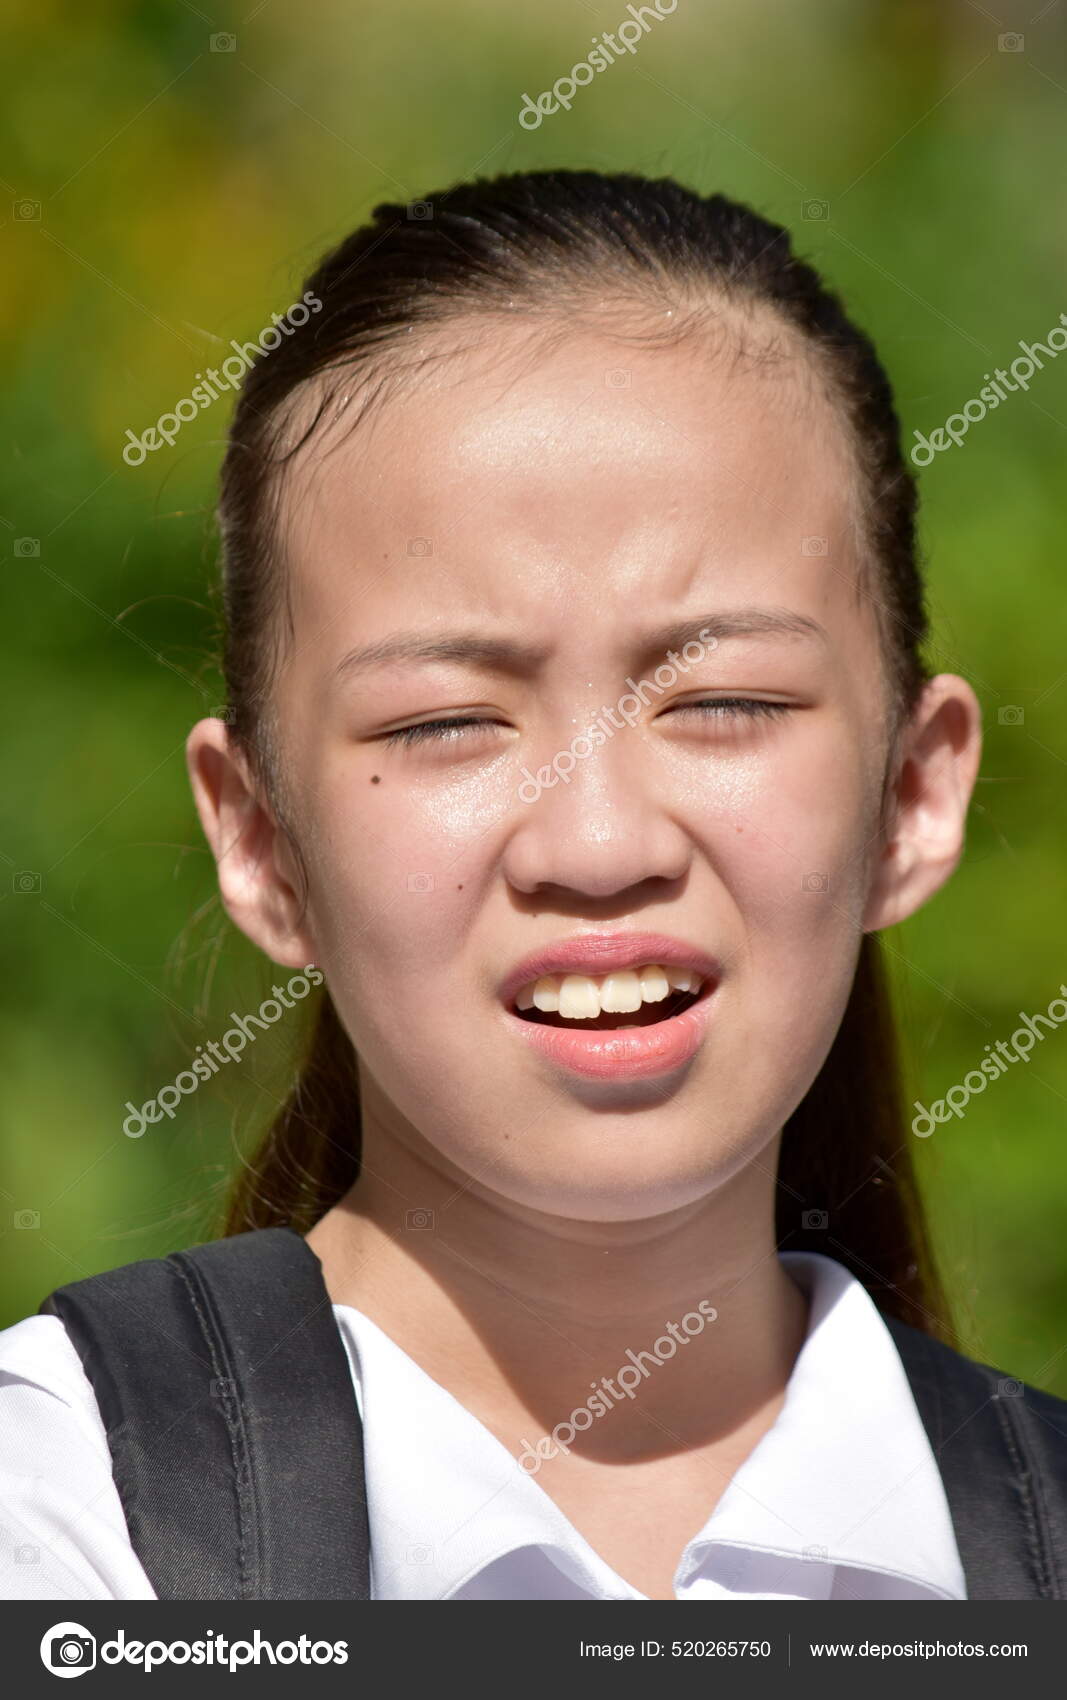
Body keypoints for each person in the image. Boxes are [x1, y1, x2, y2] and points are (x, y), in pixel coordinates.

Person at [2, 169, 1061, 1604]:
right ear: (259, 840)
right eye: (444, 721)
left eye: (729, 699)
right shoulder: (66, 1514)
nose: (600, 840)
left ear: (913, 794)